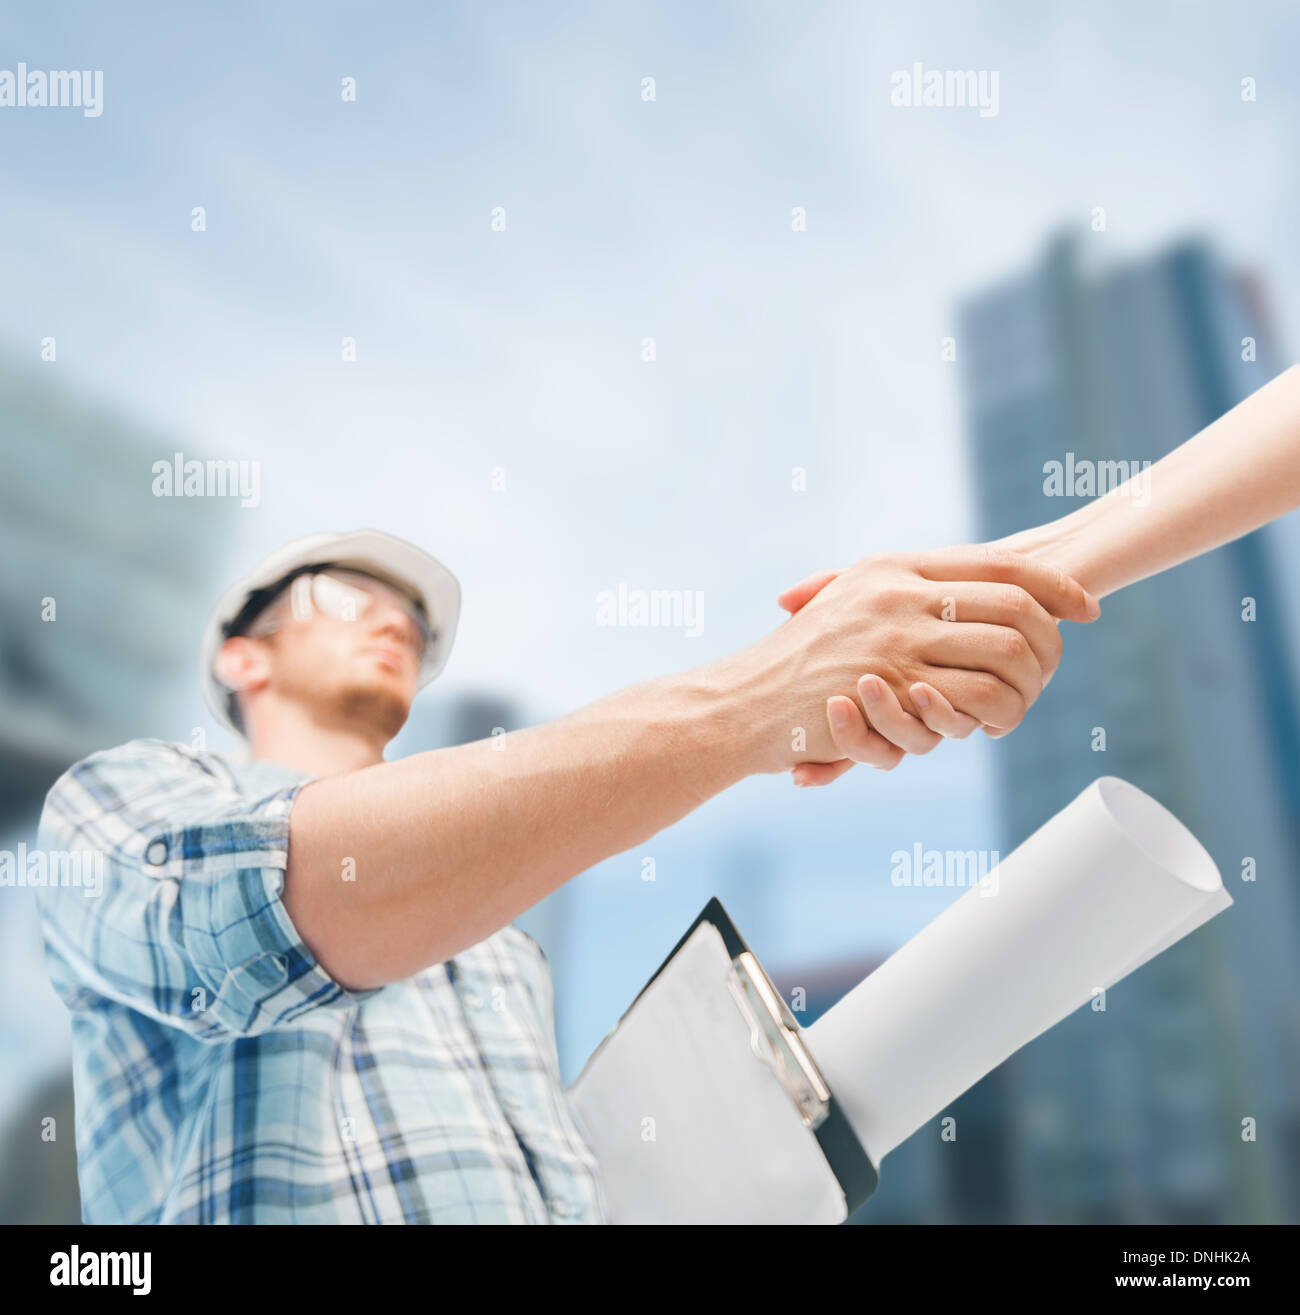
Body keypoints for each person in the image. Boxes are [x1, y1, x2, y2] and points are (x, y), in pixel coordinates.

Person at [34, 528, 1095, 1224]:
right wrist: (762, 696)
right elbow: (237, 915)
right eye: (341, 593)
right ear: (240, 656)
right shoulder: (125, 795)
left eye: (411, 618)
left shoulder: (507, 949)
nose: (394, 620)